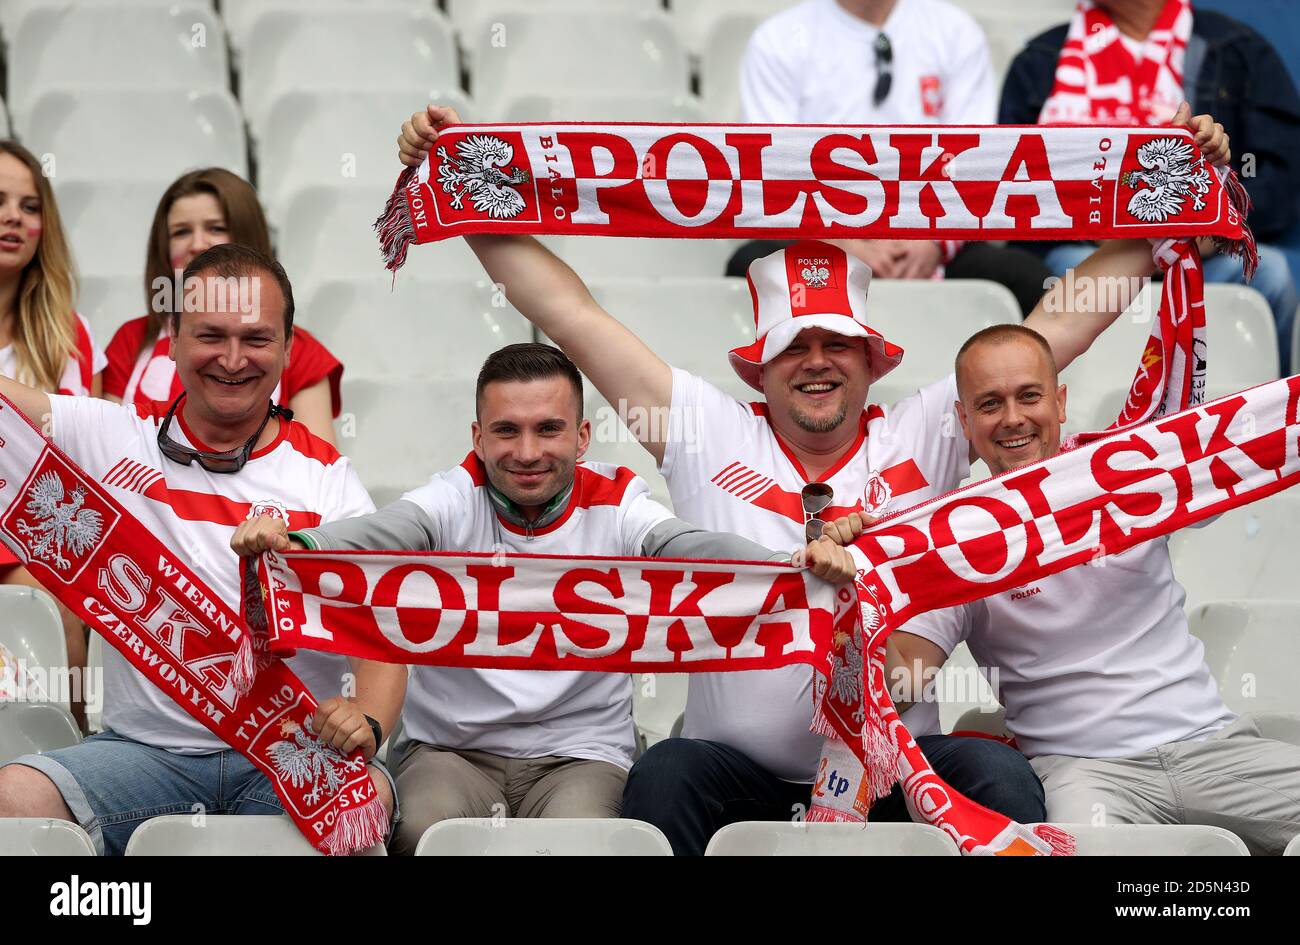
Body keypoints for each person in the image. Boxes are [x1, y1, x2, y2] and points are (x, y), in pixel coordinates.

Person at [394, 101, 1233, 852]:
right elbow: (567, 314)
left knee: (1003, 781)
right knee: (662, 783)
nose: (818, 361)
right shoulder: (700, 426)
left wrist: (1175, 192)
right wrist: (462, 186)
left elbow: (1058, 326)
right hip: (738, 771)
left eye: (838, 344)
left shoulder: (933, 427)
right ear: (758, 369)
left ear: (871, 361)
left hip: (891, 767)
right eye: (794, 345)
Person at [231, 342, 860, 855]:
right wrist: (303, 543)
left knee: (583, 847)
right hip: (451, 753)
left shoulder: (616, 502)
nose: (527, 452)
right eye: (506, 431)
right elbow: (389, 533)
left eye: (548, 429)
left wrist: (784, 566)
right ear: (477, 436)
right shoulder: (455, 494)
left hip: (581, 757)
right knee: (426, 835)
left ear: (583, 436)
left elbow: (684, 546)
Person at [0, 244, 402, 855]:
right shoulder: (112, 437)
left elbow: (379, 630)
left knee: (365, 803)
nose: (233, 359)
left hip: (289, 756)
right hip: (141, 757)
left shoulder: (328, 481)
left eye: (257, 339)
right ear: (175, 339)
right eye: (211, 335)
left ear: (289, 349)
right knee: (13, 800)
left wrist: (368, 722)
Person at [876, 323, 1300, 855]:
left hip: (1212, 748)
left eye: (1029, 396)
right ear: (963, 420)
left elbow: (1241, 451)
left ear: (1061, 402)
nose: (1012, 418)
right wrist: (849, 596)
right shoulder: (954, 536)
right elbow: (903, 677)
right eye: (989, 404)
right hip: (1083, 774)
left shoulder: (1128, 469)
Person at [999, 0, 1300, 373]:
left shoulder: (1236, 48)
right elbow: (1012, 187)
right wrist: (1094, 230)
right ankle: (1083, 413)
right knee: (1066, 271)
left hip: (1205, 248)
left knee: (1273, 275)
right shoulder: (1042, 59)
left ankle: (1274, 419)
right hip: (1090, 253)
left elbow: (1279, 176)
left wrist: (1212, 228)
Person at [733, 0, 1053, 316]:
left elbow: (976, 162)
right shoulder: (779, 38)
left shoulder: (955, 31)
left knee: (1033, 282)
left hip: (934, 234)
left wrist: (934, 242)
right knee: (749, 267)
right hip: (822, 238)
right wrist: (843, 244)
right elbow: (771, 172)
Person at [101, 168, 346, 442]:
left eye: (215, 228)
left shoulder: (302, 351)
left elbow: (317, 467)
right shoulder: (132, 340)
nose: (197, 244)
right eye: (181, 232)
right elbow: (109, 450)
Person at [0, 140, 106, 729]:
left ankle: (68, 745)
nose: (14, 216)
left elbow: (78, 464)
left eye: (29, 205)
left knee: (57, 583)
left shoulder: (69, 334)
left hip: (29, 534)